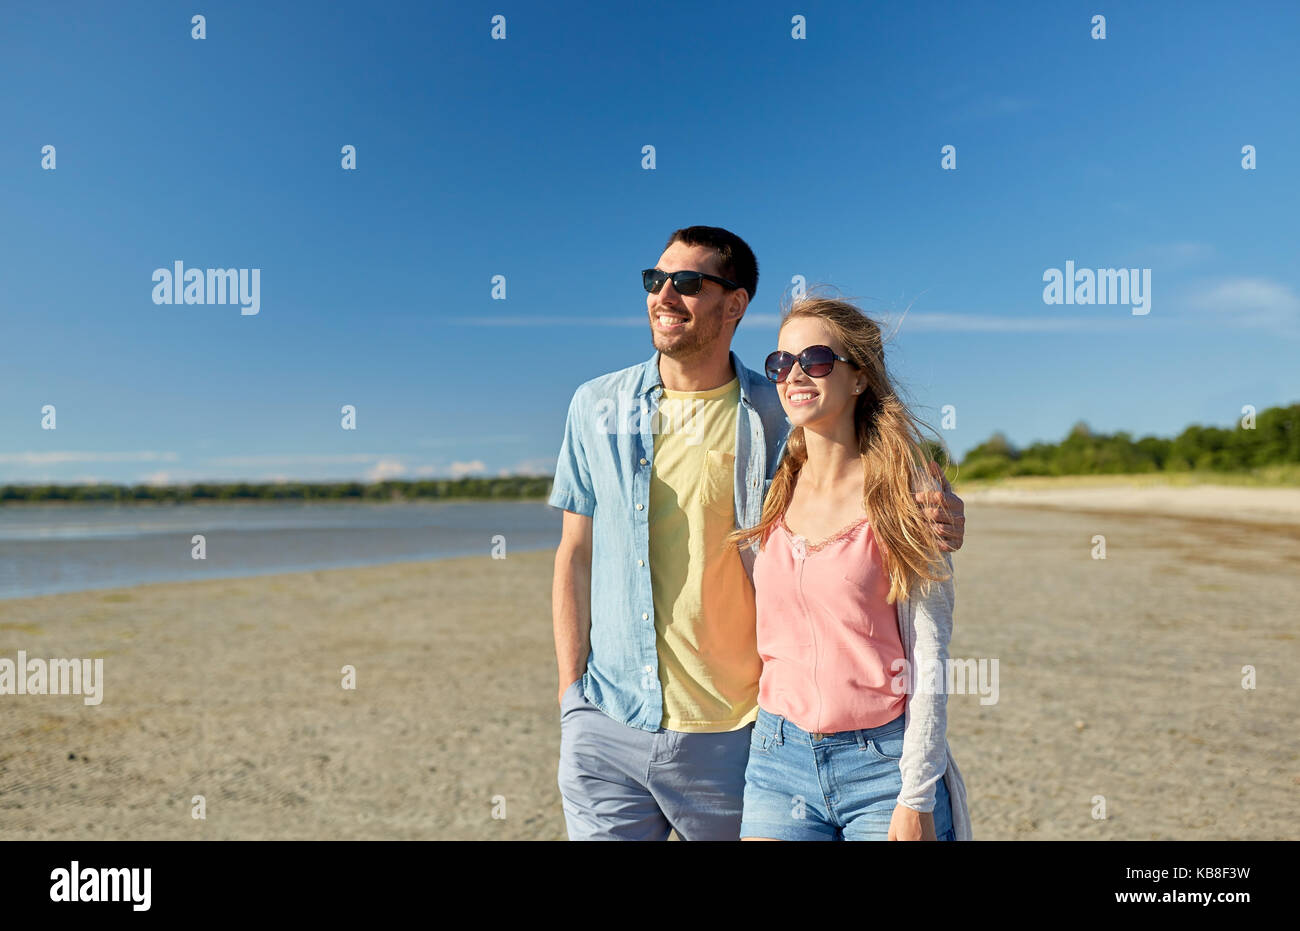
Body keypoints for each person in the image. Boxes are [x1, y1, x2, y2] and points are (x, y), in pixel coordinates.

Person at [548, 226, 966, 840]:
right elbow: (574, 553)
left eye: (688, 283)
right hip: (607, 724)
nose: (665, 294)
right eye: (655, 280)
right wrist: (571, 697)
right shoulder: (594, 406)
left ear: (735, 303)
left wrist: (941, 506)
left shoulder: (777, 412)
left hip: (734, 734)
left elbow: (863, 462)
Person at [730, 294, 972, 841]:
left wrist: (916, 795)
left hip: (882, 768)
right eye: (780, 362)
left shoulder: (907, 493)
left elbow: (929, 655)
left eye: (815, 360)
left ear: (859, 378)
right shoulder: (769, 489)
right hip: (776, 758)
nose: (793, 373)